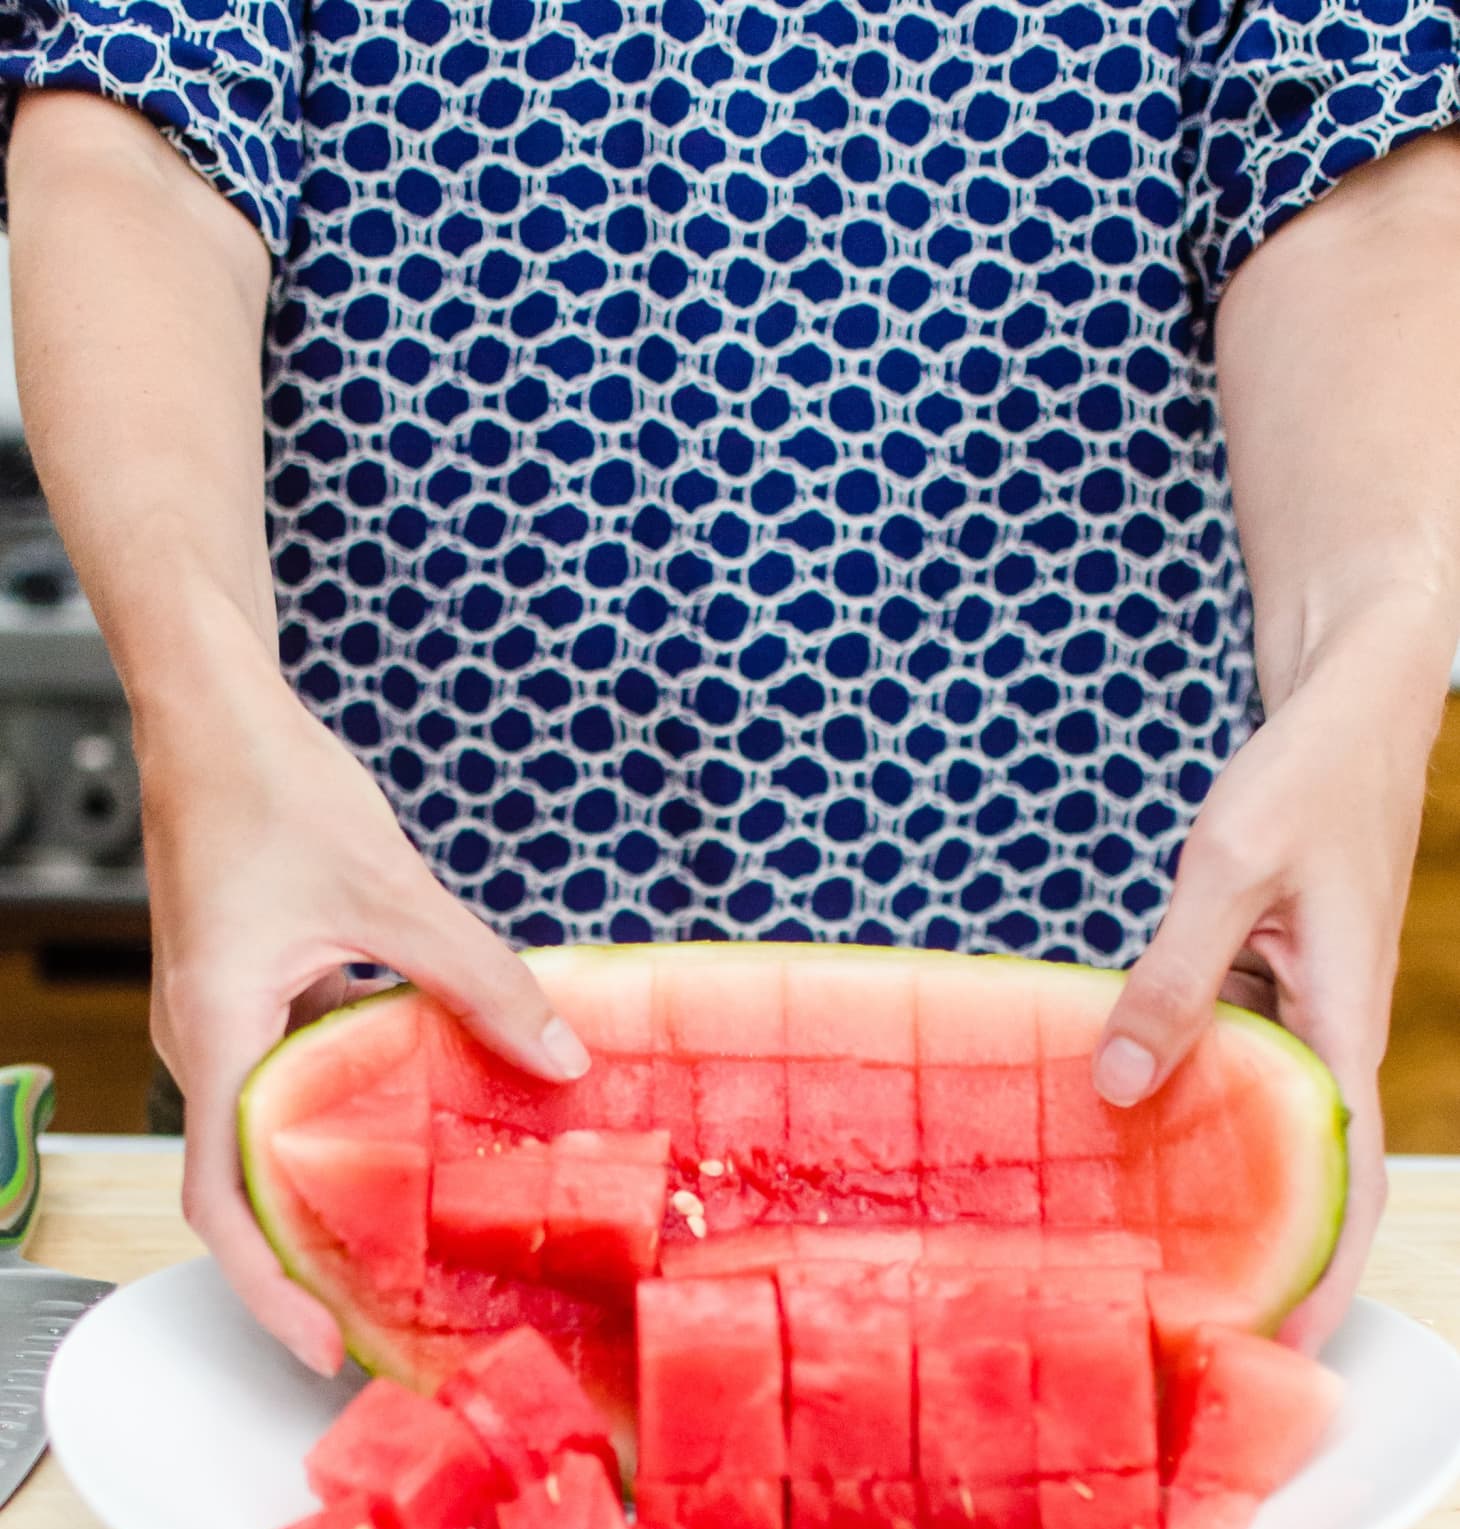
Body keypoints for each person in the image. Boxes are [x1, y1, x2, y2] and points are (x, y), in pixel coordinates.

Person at [3, 1, 1458, 1373]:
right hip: (364, 978)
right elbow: (143, 100)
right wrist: (204, 699)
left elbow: (1352, 139)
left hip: (1100, 979)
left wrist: (1380, 641)